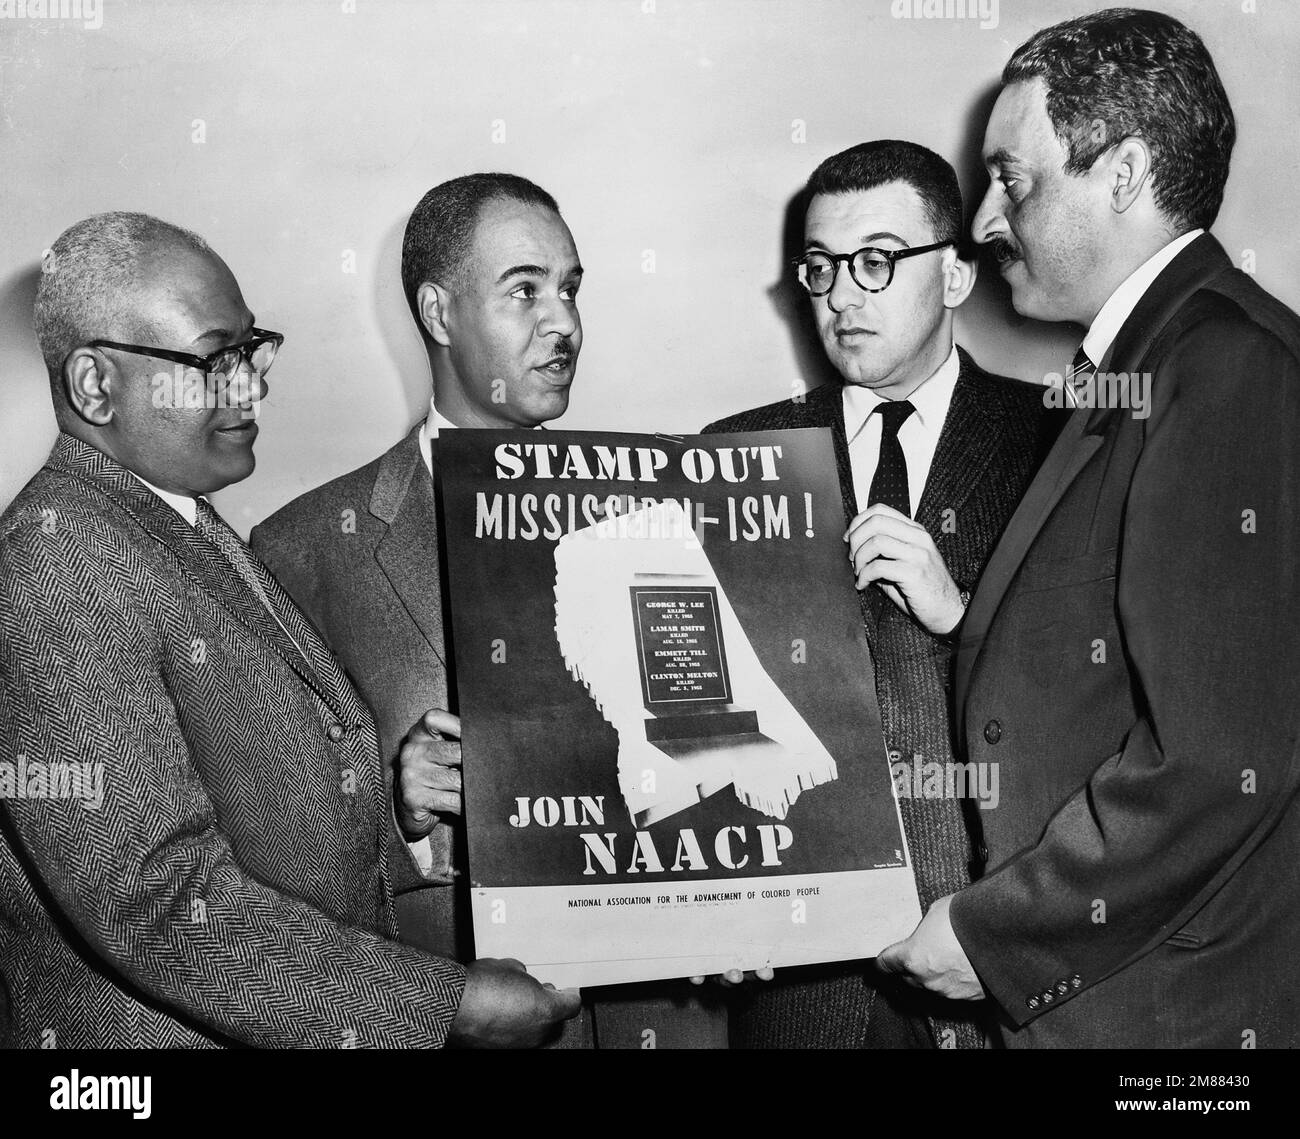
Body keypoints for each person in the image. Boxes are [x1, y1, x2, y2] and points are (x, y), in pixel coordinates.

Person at [0, 211, 579, 1048]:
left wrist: (399, 814)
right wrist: (438, 1005)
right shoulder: (60, 565)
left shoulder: (176, 523)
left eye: (252, 352)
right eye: (214, 361)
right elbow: (156, 901)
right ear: (95, 385)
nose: (252, 388)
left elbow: (275, 816)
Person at [877, 8, 1300, 1048]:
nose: (982, 218)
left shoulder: (1226, 368)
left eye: (1012, 179)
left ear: (1122, 173)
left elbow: (1219, 750)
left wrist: (994, 934)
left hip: (1166, 1019)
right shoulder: (1151, 363)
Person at [251, 174, 728, 1048]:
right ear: (437, 312)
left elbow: (721, 748)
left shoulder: (661, 510)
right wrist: (398, 814)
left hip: (663, 1015)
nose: (566, 322)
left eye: (572, 288)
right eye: (526, 291)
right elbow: (271, 863)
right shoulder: (303, 551)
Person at [702, 140, 1057, 1047]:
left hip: (994, 966)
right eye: (820, 268)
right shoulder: (734, 453)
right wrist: (710, 902)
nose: (842, 296)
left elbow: (1121, 697)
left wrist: (965, 614)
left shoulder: (1061, 440)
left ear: (955, 276)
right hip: (799, 986)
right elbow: (697, 703)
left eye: (875, 262)